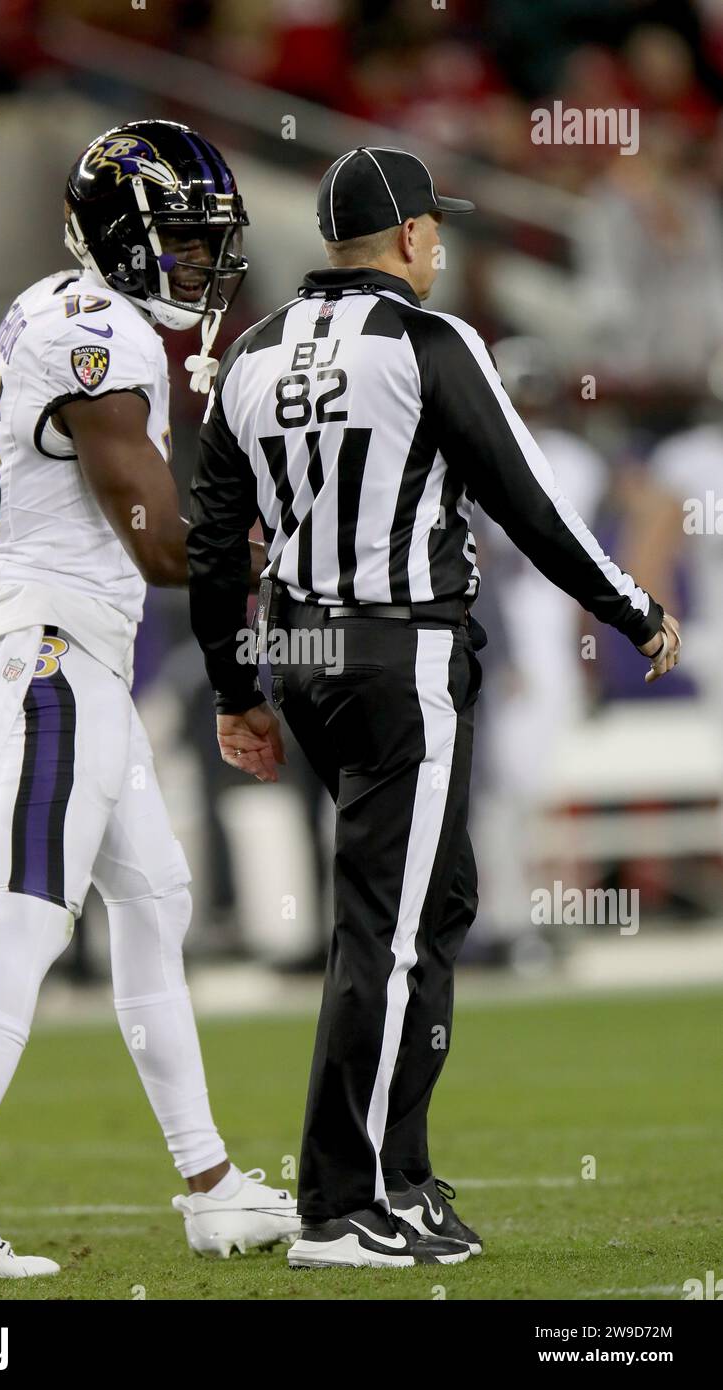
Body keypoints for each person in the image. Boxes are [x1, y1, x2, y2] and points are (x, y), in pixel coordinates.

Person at [186, 145, 681, 1270]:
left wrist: (234, 687)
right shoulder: (426, 338)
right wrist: (627, 604)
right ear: (410, 237)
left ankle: (396, 1172)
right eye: (435, 230)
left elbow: (217, 542)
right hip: (398, 651)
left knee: (428, 905)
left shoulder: (252, 353)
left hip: (306, 653)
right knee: (391, 928)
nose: (441, 247)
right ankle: (341, 1200)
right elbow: (525, 493)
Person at [0, 119, 299, 1280]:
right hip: (47, 644)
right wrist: (298, 540)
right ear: (123, 236)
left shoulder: (77, 312)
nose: (204, 264)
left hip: (80, 644)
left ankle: (209, 1183)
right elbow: (167, 547)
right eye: (181, 239)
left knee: (154, 896)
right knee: (31, 905)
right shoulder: (96, 332)